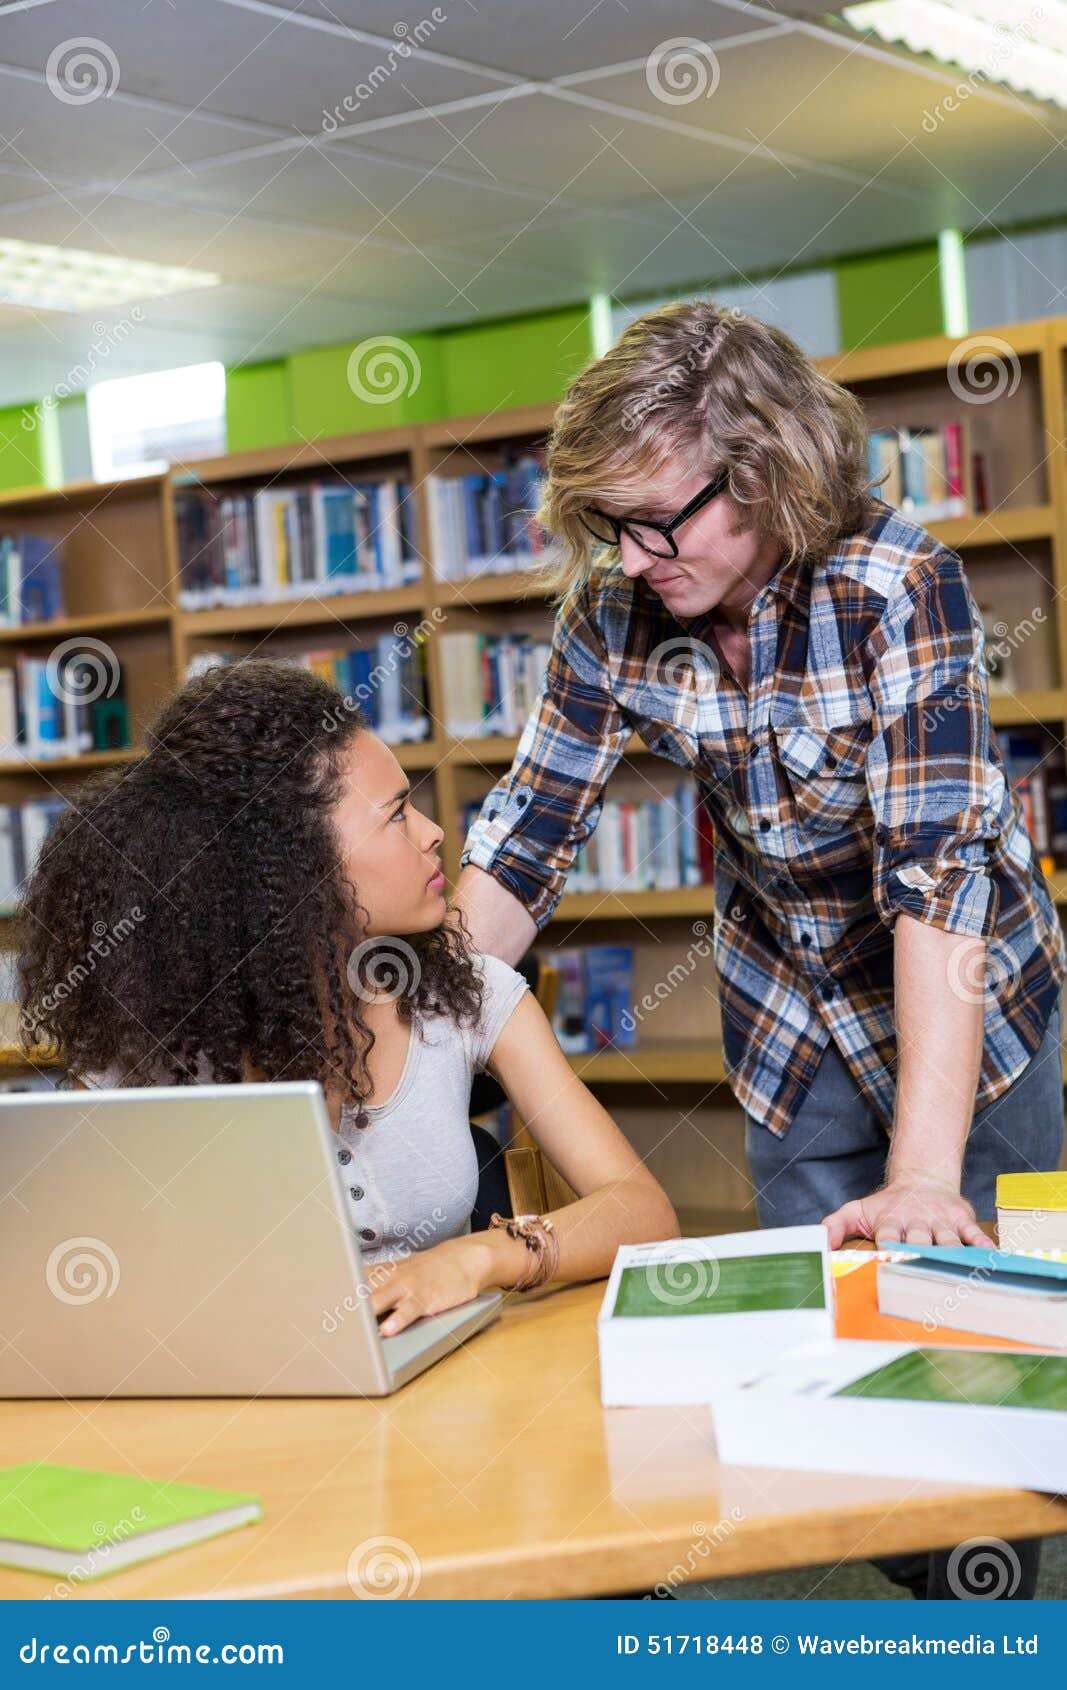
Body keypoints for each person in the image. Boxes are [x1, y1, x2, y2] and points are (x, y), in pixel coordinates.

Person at [452, 300, 1065, 1600]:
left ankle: (1008, 1607)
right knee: (844, 1376)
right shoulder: (613, 611)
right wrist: (388, 1030)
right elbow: (521, 844)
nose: (630, 556)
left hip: (977, 1016)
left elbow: (938, 880)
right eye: (607, 523)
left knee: (999, 1360)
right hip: (793, 1017)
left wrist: (918, 1172)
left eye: (657, 520)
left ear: (766, 469)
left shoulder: (897, 583)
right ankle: (903, 1619)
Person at [16, 660, 678, 1335]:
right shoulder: (155, 1041)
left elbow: (640, 1211)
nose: (432, 833)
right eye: (395, 816)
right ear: (290, 864)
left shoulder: (469, 995)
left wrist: (475, 1257)